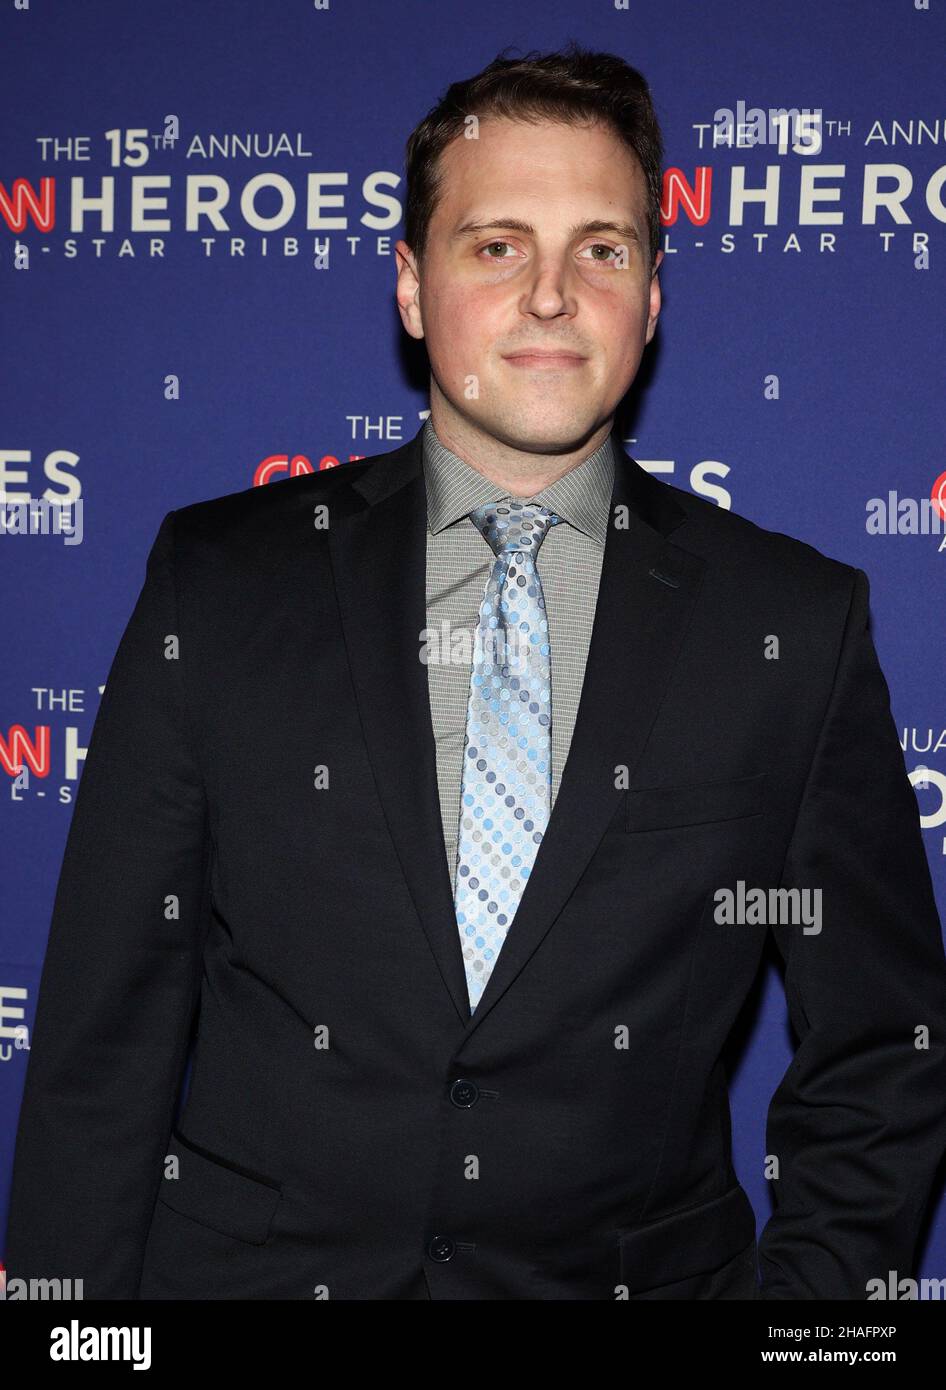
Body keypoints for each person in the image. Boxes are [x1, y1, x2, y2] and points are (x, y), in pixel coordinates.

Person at [6, 44, 946, 1301]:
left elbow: (882, 1041)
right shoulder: (220, 582)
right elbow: (101, 1034)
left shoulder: (791, 621)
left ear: (653, 298)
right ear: (409, 285)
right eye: (496, 244)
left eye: (602, 249)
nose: (551, 295)